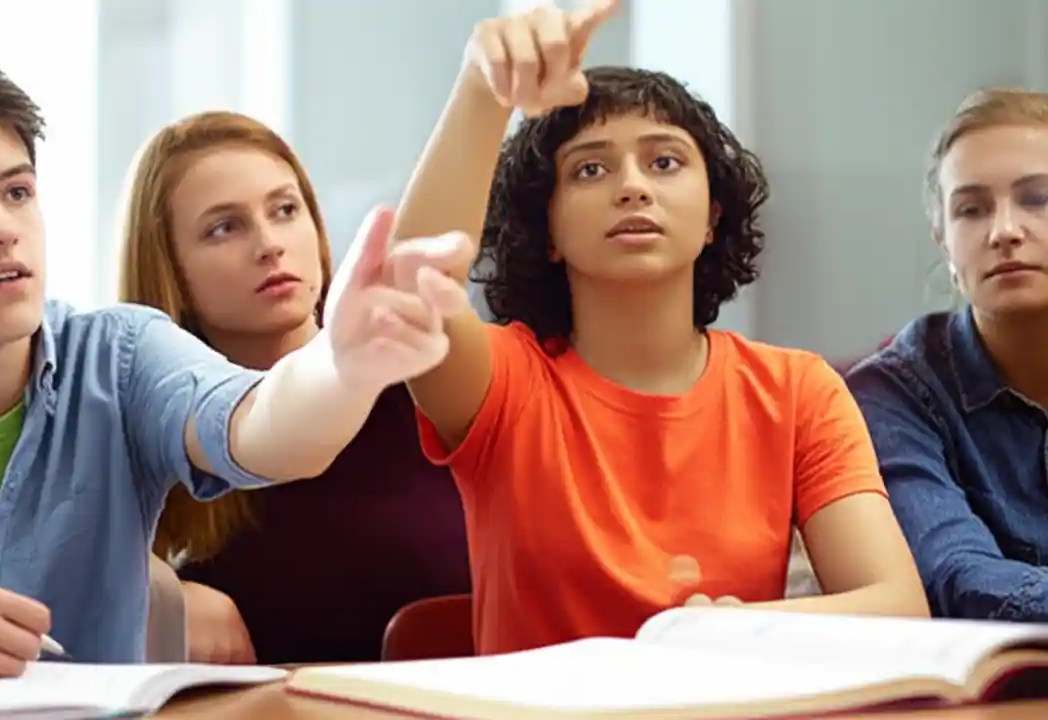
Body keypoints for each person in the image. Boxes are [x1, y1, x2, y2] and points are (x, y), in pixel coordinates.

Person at [0, 49, 473, 682]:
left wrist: (344, 364)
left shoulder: (121, 355)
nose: (0, 228)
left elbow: (263, 429)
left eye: (16, 192)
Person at [387, 0, 928, 656]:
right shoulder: (503, 383)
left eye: (665, 162)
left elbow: (899, 608)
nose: (632, 186)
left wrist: (747, 630)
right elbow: (409, 292)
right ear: (549, 231)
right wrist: (481, 88)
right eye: (591, 168)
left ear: (711, 217)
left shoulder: (798, 391)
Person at [118, 110, 470, 665]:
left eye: (285, 210)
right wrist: (152, 585)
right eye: (224, 227)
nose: (269, 244)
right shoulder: (141, 430)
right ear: (171, 271)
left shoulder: (425, 381)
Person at [847, 88, 1048, 621]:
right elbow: (961, 577)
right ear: (942, 238)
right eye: (971, 210)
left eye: (1038, 198)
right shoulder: (893, 392)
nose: (1005, 231)